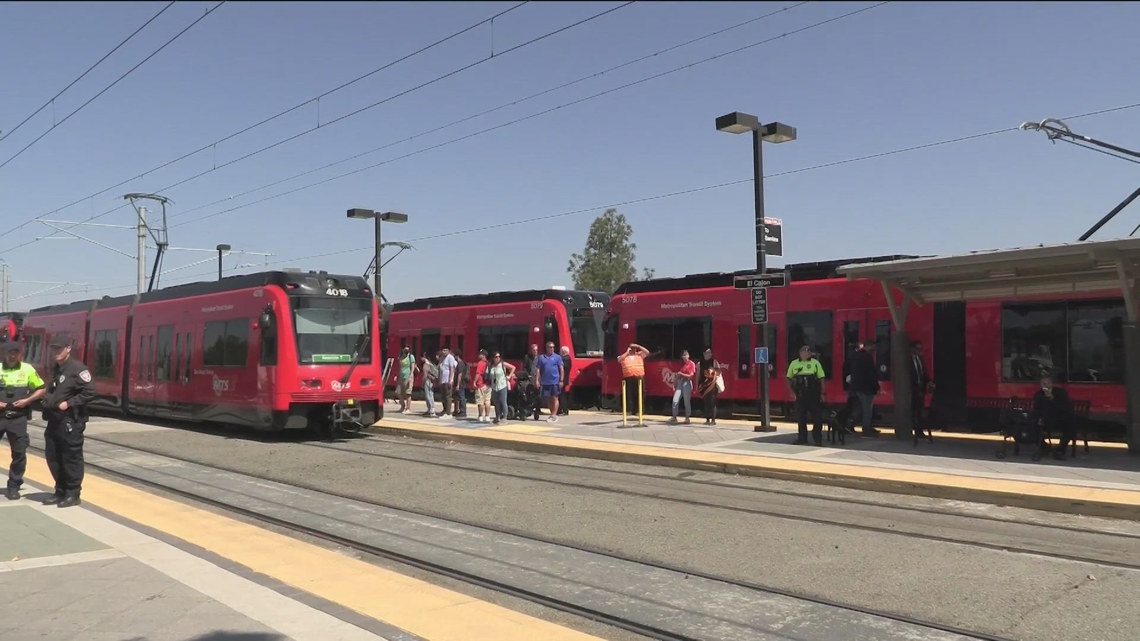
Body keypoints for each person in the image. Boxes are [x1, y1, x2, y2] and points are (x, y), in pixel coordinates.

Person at [41, 332, 95, 508]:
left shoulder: (77, 369)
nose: (56, 352)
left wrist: (69, 403)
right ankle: (60, 490)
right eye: (53, 348)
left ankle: (73, 493)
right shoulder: (57, 368)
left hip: (70, 421)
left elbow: (89, 391)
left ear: (68, 349)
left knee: (70, 457)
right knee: (53, 455)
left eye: (59, 348)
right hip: (54, 419)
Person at [0, 341, 46, 500]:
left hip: (18, 418)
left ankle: (14, 486)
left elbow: (41, 389)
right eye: (9, 353)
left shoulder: (27, 369)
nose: (12, 356)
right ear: (4, 353)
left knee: (19, 453)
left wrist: (27, 400)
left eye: (15, 353)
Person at [786, 345, 826, 446]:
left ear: (810, 354)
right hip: (800, 395)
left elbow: (821, 379)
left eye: (807, 352)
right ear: (800, 353)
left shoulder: (815, 363)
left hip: (813, 394)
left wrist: (823, 393)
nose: (805, 353)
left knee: (817, 418)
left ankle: (817, 439)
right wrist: (792, 393)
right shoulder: (794, 363)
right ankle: (802, 438)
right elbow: (788, 379)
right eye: (803, 351)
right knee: (801, 418)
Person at [1029, 373, 1074, 460]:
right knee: (1032, 426)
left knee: (1071, 427)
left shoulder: (1060, 392)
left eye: (1048, 383)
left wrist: (1052, 398)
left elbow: (1065, 407)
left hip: (1060, 419)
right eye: (1043, 383)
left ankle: (1059, 450)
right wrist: (1039, 417)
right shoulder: (1038, 394)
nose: (1046, 386)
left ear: (1052, 384)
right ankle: (1045, 447)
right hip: (1045, 419)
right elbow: (1036, 408)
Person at [845, 342, 880, 436]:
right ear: (869, 346)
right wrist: (876, 387)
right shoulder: (867, 357)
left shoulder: (856, 356)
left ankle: (849, 425)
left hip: (857, 387)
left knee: (859, 408)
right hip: (866, 388)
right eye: (873, 347)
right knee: (867, 410)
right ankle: (866, 430)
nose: (874, 349)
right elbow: (870, 374)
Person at [534, 342, 565, 422]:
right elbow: (538, 369)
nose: (552, 349)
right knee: (548, 398)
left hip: (555, 381)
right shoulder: (541, 357)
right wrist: (537, 381)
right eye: (550, 347)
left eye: (553, 347)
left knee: (555, 398)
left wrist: (561, 380)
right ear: (546, 348)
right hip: (545, 381)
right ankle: (552, 414)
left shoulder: (557, 357)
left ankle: (554, 414)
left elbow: (561, 369)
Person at [910, 341, 933, 438]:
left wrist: (929, 382)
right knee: (913, 411)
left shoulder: (920, 359)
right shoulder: (908, 360)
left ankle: (919, 431)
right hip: (913, 389)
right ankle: (913, 430)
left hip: (920, 389)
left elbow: (924, 373)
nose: (920, 351)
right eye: (918, 348)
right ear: (912, 349)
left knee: (920, 411)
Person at [697, 348, 726, 425]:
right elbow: (698, 375)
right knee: (706, 403)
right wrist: (697, 385)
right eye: (707, 352)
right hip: (704, 386)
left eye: (710, 352)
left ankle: (713, 420)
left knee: (712, 402)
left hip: (712, 386)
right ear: (704, 354)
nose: (709, 354)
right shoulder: (700, 363)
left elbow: (719, 372)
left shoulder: (714, 362)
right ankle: (707, 420)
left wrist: (713, 373)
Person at [618, 343, 650, 410]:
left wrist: (639, 346)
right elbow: (619, 359)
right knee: (630, 394)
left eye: (635, 348)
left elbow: (647, 352)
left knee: (640, 393)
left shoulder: (639, 354)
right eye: (632, 348)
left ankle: (640, 410)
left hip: (639, 377)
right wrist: (627, 352)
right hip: (628, 377)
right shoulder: (624, 356)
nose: (633, 349)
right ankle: (631, 409)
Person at [487, 352, 516, 424]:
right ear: (493, 358)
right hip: (494, 386)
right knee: (496, 402)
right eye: (496, 357)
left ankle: (504, 418)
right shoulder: (491, 366)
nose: (498, 358)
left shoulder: (503, 364)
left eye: (499, 356)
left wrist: (509, 376)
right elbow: (488, 374)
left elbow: (513, 367)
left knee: (503, 401)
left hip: (502, 385)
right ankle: (497, 417)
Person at [669, 350, 697, 424]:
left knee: (686, 401)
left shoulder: (691, 364)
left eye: (685, 355)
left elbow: (691, 376)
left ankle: (687, 418)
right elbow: (677, 375)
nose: (684, 357)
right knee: (675, 400)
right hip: (680, 383)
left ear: (688, 356)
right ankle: (674, 417)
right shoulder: (681, 364)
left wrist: (682, 374)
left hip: (687, 383)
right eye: (683, 356)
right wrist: (674, 384)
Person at [472, 350, 491, 423]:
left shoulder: (480, 363)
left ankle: (480, 416)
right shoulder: (488, 363)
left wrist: (474, 382)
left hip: (480, 384)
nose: (478, 355)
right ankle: (487, 416)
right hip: (488, 385)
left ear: (483, 355)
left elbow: (478, 373)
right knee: (487, 401)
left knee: (480, 401)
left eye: (479, 354)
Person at [397, 346, 417, 414]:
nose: (406, 350)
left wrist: (411, 375)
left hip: (408, 376)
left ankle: (408, 408)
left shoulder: (411, 357)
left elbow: (413, 367)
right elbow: (400, 367)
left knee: (408, 393)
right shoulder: (401, 357)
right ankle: (403, 406)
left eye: (408, 348)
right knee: (398, 392)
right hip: (401, 377)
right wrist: (397, 375)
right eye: (405, 348)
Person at [438, 347, 457, 417]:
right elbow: (440, 368)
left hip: (447, 380)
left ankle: (448, 412)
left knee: (448, 396)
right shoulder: (442, 358)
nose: (444, 352)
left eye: (446, 350)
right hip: (442, 380)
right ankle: (444, 409)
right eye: (443, 350)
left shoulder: (450, 358)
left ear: (448, 351)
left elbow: (452, 369)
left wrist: (450, 380)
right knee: (443, 396)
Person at [421, 352, 439, 417]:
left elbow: (425, 375)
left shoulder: (426, 365)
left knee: (428, 395)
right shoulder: (431, 364)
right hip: (431, 381)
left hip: (427, 381)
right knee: (431, 394)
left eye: (422, 357)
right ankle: (430, 409)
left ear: (425, 357)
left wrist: (423, 382)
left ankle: (431, 409)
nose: (421, 358)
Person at [452, 350, 468, 418]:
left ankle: (463, 411)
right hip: (459, 383)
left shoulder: (460, 364)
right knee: (457, 397)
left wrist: (458, 385)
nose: (453, 357)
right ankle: (457, 411)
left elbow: (460, 375)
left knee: (461, 397)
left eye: (454, 355)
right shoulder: (459, 363)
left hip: (461, 383)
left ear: (457, 356)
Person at [558, 346, 572, 416]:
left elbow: (562, 368)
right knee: (561, 395)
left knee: (562, 395)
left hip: (563, 379)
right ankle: (560, 409)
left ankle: (564, 410)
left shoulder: (565, 359)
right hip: (564, 379)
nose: (559, 352)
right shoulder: (567, 358)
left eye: (561, 351)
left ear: (563, 352)